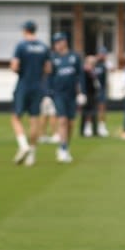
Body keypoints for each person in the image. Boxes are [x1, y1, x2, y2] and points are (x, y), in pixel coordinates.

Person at [10, 20, 52, 166]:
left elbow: (14, 67)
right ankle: (32, 154)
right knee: (34, 119)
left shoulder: (21, 46)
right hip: (38, 86)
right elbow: (48, 69)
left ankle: (23, 145)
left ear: (25, 30)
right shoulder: (43, 47)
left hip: (24, 85)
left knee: (16, 117)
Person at [47, 32, 84, 163]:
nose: (57, 45)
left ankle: (66, 146)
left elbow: (81, 75)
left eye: (59, 42)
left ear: (65, 42)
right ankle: (62, 149)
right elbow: (49, 76)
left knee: (71, 123)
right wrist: (48, 93)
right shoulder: (52, 58)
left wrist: (82, 92)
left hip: (72, 94)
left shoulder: (75, 57)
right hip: (58, 94)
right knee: (62, 120)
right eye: (55, 43)